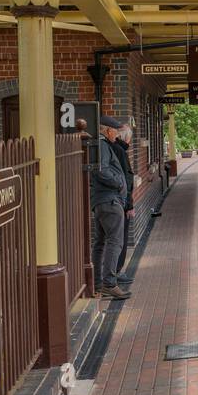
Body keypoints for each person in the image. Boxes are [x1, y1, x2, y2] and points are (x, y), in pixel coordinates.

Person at [91, 115, 130, 300]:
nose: (117, 135)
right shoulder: (103, 146)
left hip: (101, 201)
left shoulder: (100, 145)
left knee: (100, 243)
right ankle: (109, 283)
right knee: (115, 242)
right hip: (110, 201)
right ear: (107, 130)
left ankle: (98, 282)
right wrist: (119, 184)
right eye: (115, 131)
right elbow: (102, 170)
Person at [112, 122, 136, 285]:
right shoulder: (120, 151)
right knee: (119, 238)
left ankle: (113, 272)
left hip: (116, 200)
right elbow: (125, 180)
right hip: (120, 201)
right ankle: (116, 271)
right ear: (125, 138)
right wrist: (129, 205)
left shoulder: (114, 149)